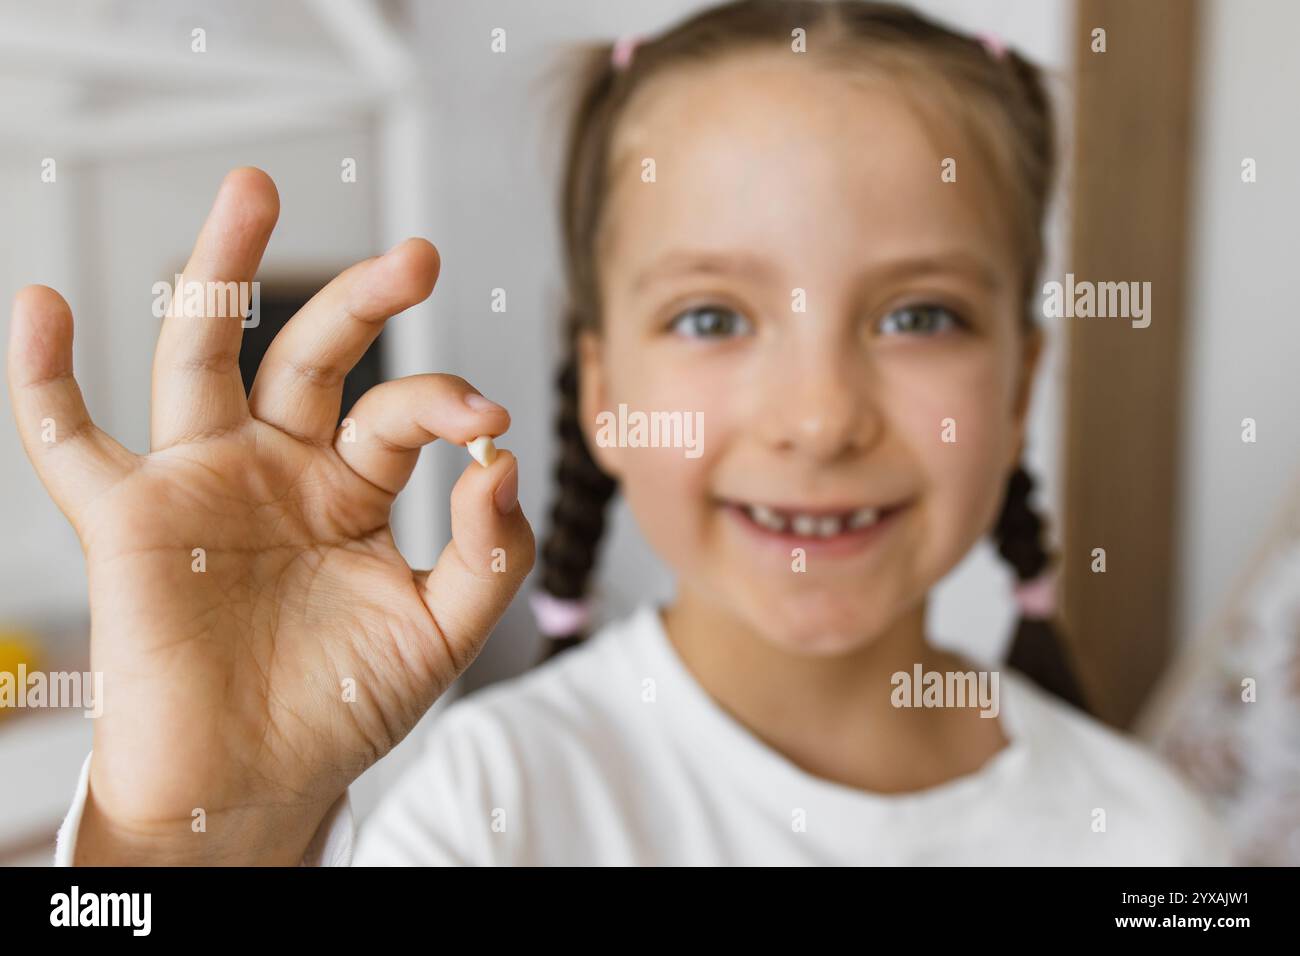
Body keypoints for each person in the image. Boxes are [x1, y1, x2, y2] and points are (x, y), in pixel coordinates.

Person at [9, 0, 1228, 865]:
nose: (818, 417)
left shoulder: (1151, 836)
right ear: (599, 385)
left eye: (918, 314)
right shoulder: (487, 801)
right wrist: (175, 844)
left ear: (1018, 381)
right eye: (712, 314)